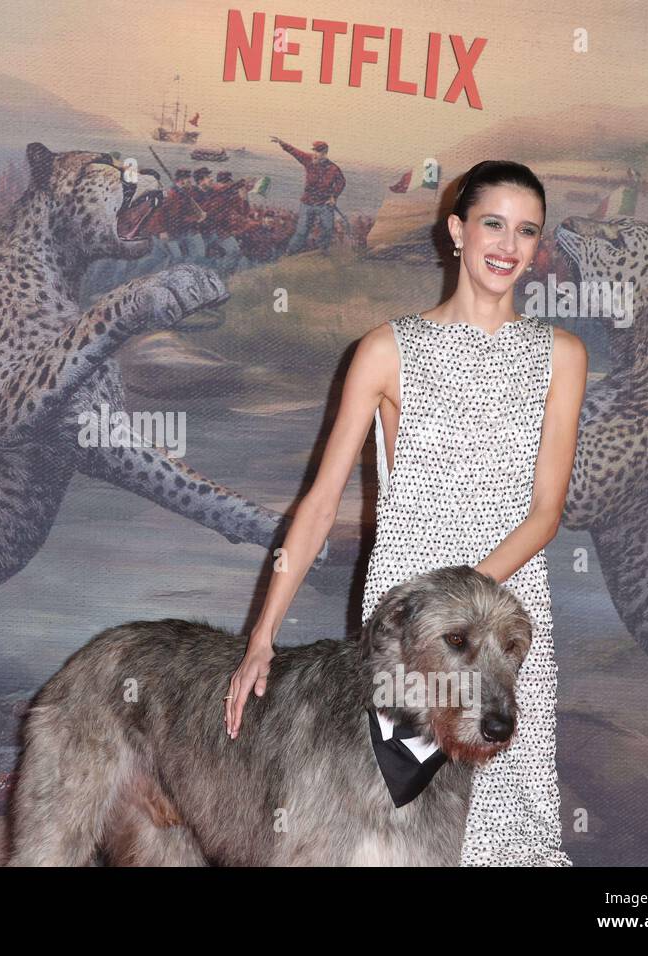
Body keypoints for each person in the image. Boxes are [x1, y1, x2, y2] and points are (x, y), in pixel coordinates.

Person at [225, 160, 588, 866]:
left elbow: (547, 512)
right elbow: (320, 500)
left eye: (526, 231)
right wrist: (262, 635)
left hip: (502, 622)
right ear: (455, 230)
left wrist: (461, 610)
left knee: (508, 832)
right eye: (492, 223)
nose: (508, 245)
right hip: (406, 633)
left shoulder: (560, 355)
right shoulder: (387, 349)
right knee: (398, 820)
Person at [272, 137, 345, 254]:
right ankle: (290, 252)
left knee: (327, 229)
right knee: (302, 231)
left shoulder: (333, 169)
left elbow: (341, 182)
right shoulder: (308, 159)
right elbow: (295, 152)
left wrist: (333, 197)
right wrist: (282, 143)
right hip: (307, 203)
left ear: (325, 153)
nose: (315, 154)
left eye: (318, 152)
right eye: (314, 151)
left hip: (324, 204)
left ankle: (322, 251)